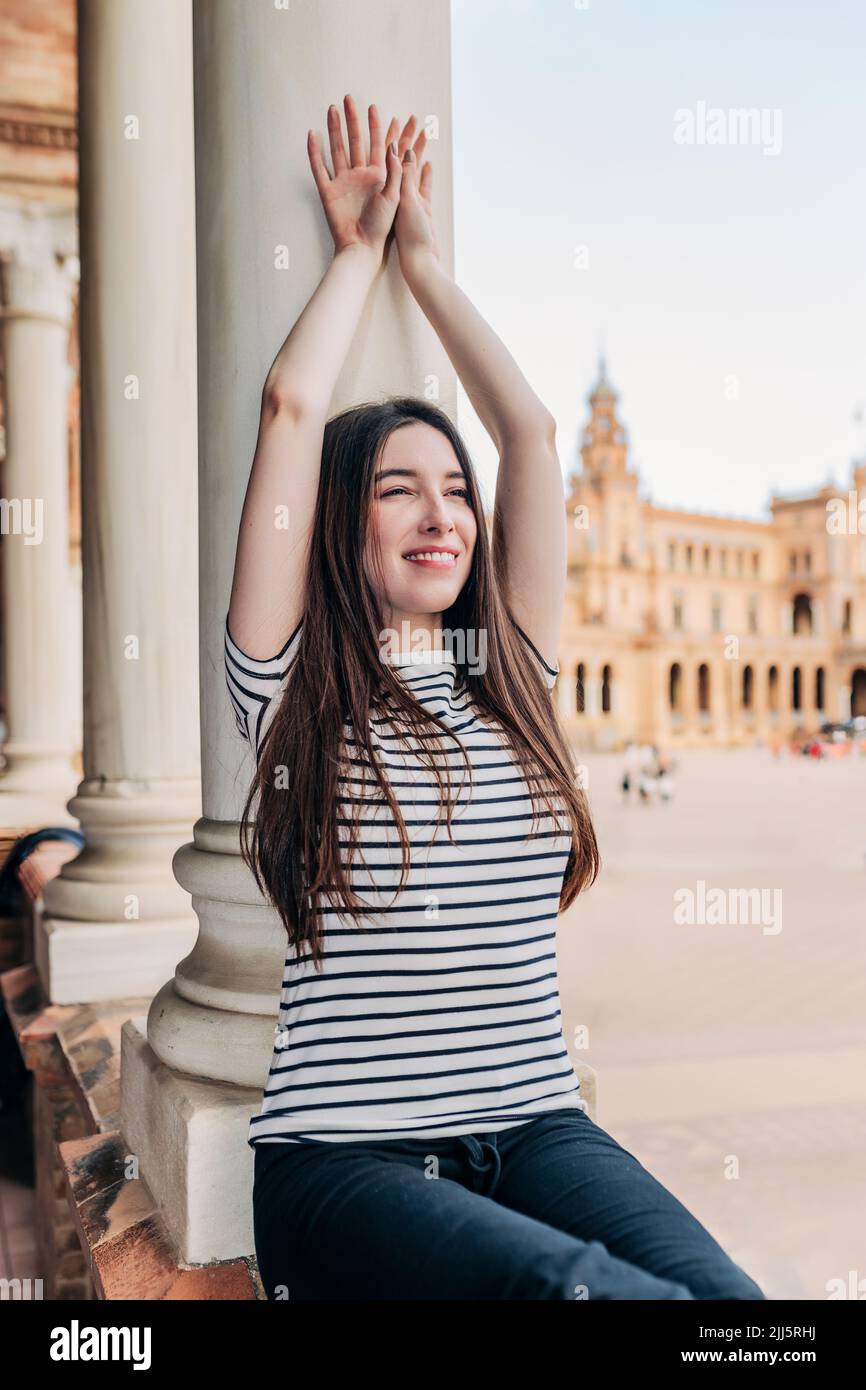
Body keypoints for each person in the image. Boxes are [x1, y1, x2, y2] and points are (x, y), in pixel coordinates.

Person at [225, 95, 766, 1303]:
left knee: (733, 1316)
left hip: (532, 1132)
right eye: (396, 490)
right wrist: (360, 256)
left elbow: (526, 433)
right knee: (589, 1296)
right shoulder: (292, 695)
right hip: (341, 1163)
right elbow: (289, 410)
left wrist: (428, 264)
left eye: (453, 494)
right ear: (336, 523)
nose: (441, 514)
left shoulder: (511, 681)